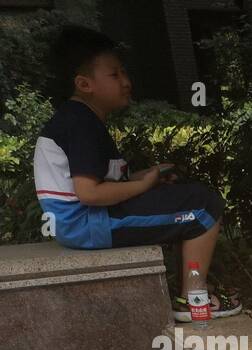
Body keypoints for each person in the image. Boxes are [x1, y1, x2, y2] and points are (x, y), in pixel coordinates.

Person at [34, 26, 239, 321]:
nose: (127, 82)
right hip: (89, 222)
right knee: (204, 207)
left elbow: (103, 183)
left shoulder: (76, 118)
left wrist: (150, 175)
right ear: (84, 83)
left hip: (82, 221)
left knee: (188, 198)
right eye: (115, 74)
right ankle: (194, 301)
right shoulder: (81, 124)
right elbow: (90, 193)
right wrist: (144, 185)